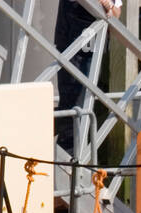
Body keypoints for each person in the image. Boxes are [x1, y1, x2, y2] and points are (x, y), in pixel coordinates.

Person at [54, 0, 121, 153]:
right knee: (72, 102)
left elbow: (116, 14)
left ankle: (70, 158)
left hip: (94, 49)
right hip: (71, 45)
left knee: (83, 104)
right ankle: (66, 156)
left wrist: (109, 6)